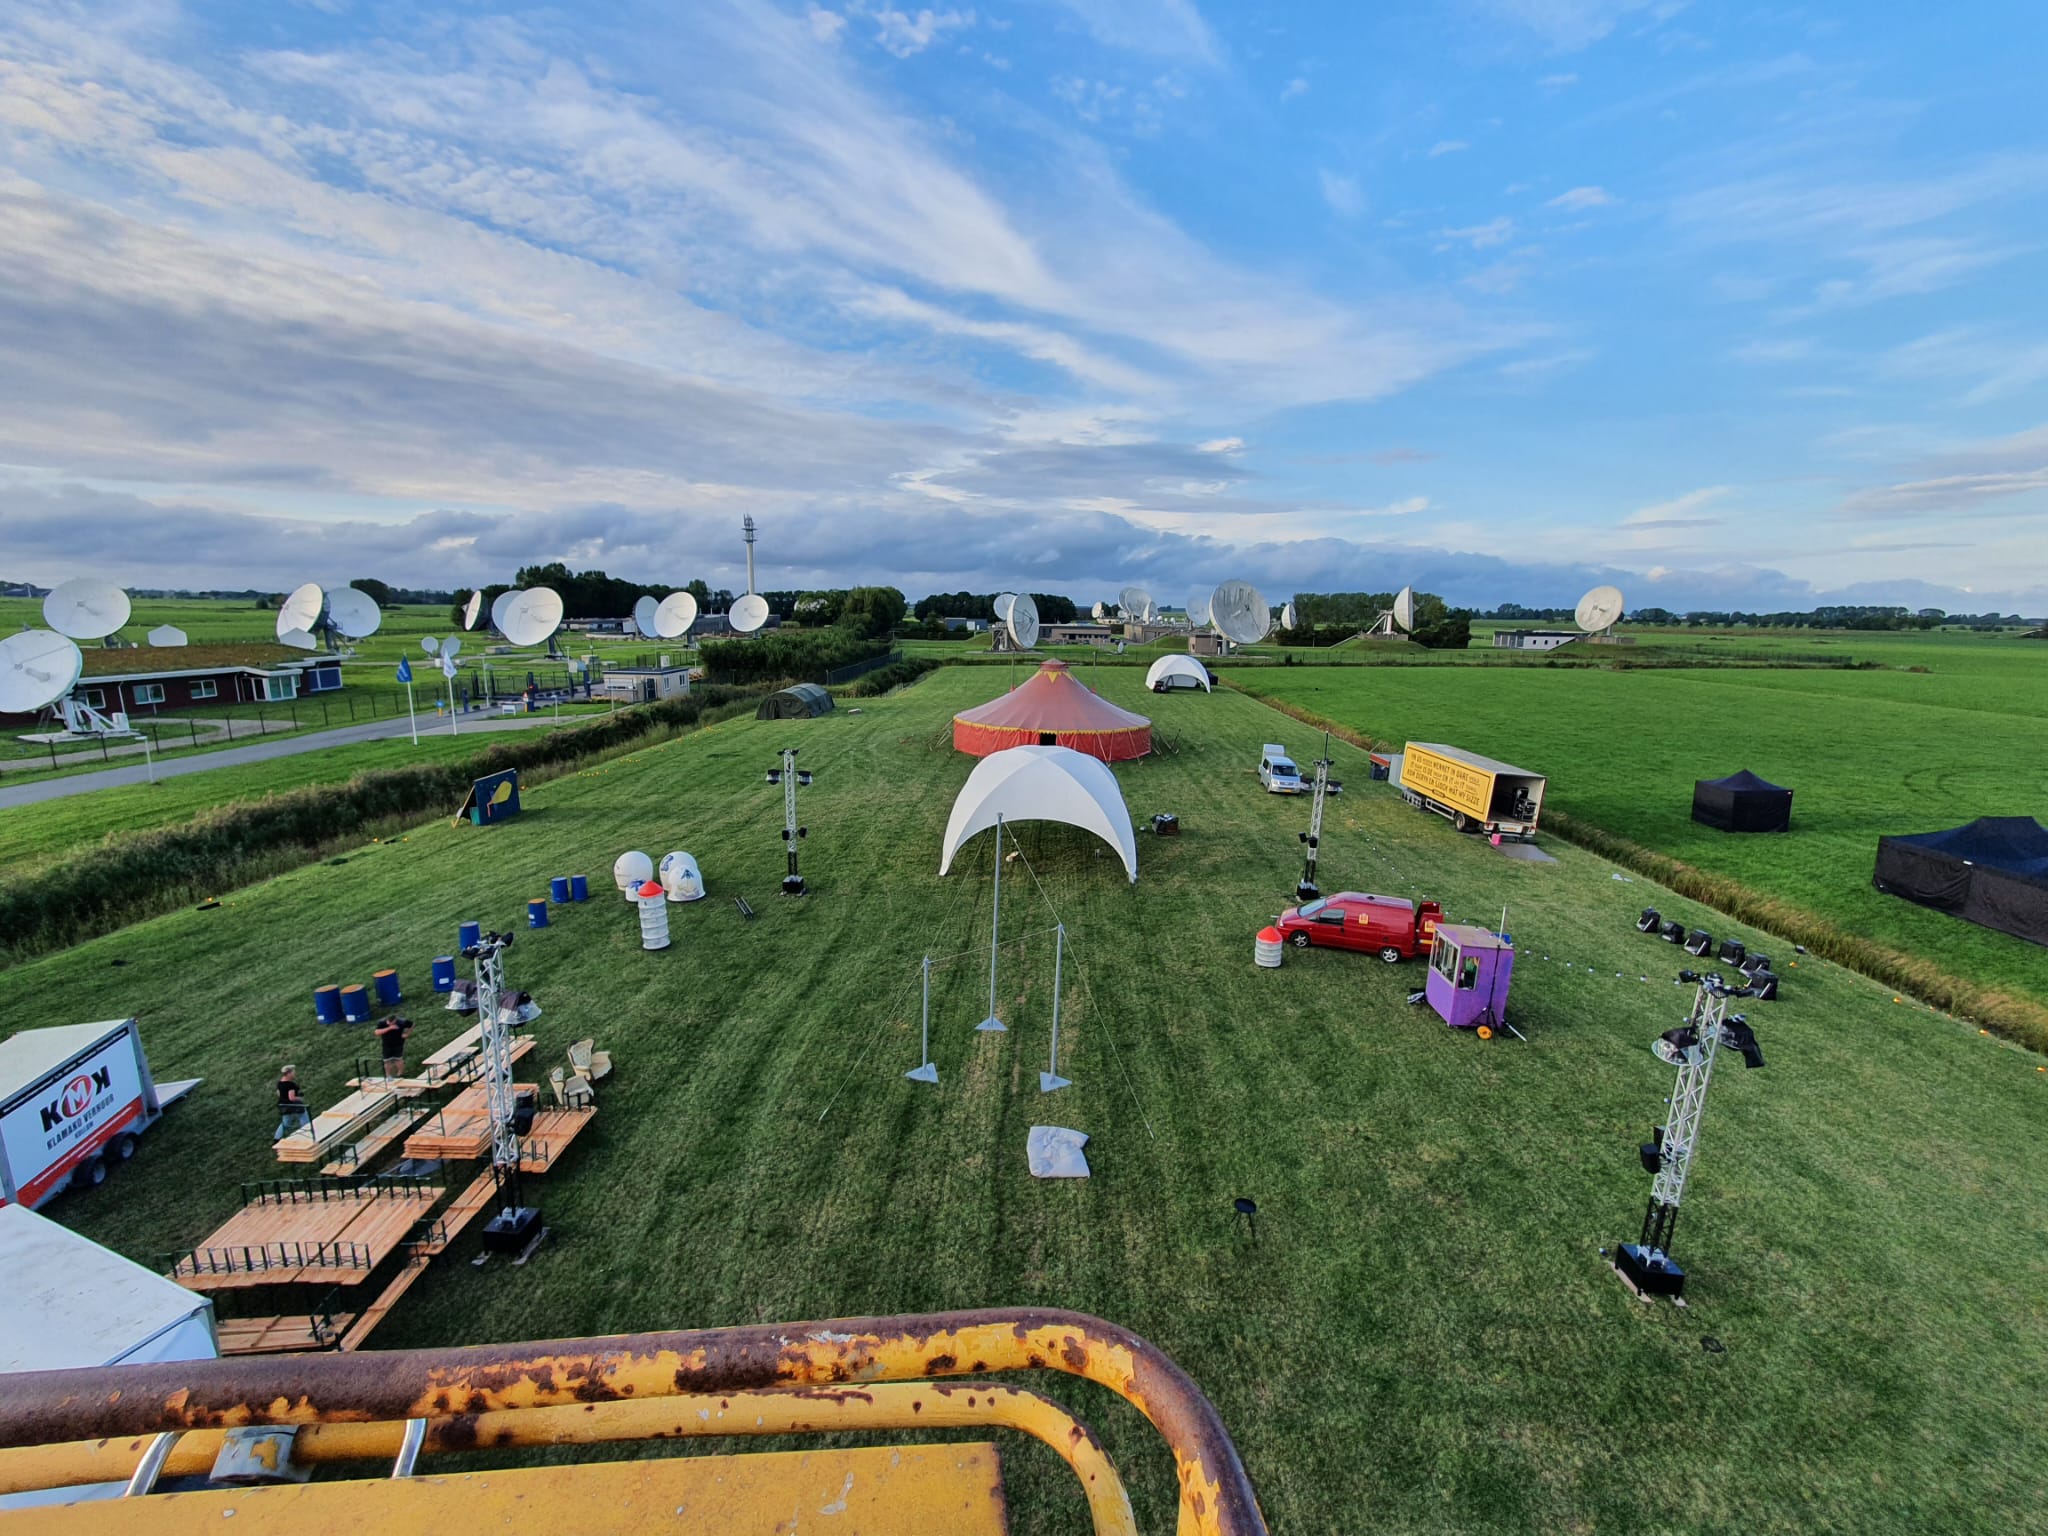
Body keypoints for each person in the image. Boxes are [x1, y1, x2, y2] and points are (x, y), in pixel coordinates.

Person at [275, 1066, 310, 1139]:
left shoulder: (279, 1083)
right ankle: (307, 1135)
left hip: (283, 1106)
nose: (294, 1074)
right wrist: (300, 1098)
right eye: (293, 1072)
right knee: (304, 1116)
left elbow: (278, 1094)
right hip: (292, 1105)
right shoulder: (290, 1085)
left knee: (285, 1123)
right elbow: (292, 1098)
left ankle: (277, 1139)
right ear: (288, 1073)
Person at [375, 1015, 415, 1079]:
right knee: (387, 1061)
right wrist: (389, 1028)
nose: (390, 1024)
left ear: (395, 1020)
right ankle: (388, 1076)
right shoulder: (382, 1022)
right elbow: (377, 1032)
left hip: (398, 1044)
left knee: (398, 1059)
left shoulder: (402, 1021)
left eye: (392, 1023)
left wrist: (407, 1033)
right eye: (388, 1023)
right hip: (386, 1045)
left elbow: (412, 1024)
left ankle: (400, 1074)